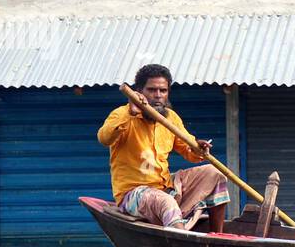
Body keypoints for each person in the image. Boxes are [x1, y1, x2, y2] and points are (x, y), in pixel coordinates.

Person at [97, 64, 230, 233]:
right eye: (152, 90)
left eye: (163, 91)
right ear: (139, 91)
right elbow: (104, 138)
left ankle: (217, 236)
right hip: (133, 195)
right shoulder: (122, 114)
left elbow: (188, 150)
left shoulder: (171, 118)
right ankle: (185, 244)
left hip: (166, 188)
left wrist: (199, 148)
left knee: (215, 173)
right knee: (165, 201)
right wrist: (130, 113)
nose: (158, 96)